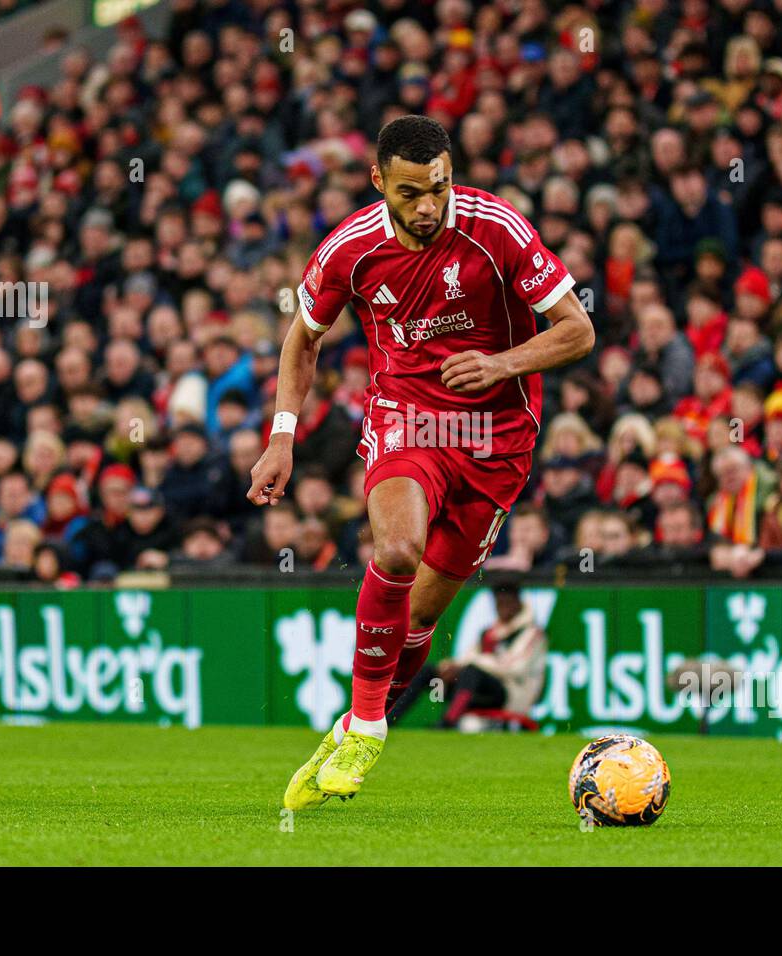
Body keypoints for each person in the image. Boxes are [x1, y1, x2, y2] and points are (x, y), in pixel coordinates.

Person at [248, 116, 593, 809]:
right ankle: (370, 728)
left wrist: (501, 362)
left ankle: (351, 721)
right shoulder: (350, 250)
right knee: (397, 551)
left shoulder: (497, 229)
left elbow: (578, 330)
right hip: (407, 420)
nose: (429, 205)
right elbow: (302, 340)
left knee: (419, 620)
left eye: (439, 186)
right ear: (378, 181)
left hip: (499, 440)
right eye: (411, 193)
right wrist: (282, 435)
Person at [386, 581, 547, 730]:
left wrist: (468, 665)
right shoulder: (490, 632)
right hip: (478, 692)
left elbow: (514, 667)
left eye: (507, 603)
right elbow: (468, 658)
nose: (502, 607)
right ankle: (389, 719)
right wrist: (450, 667)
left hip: (510, 696)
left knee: (472, 672)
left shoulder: (532, 633)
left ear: (518, 603)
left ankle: (447, 723)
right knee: (429, 672)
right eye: (499, 603)